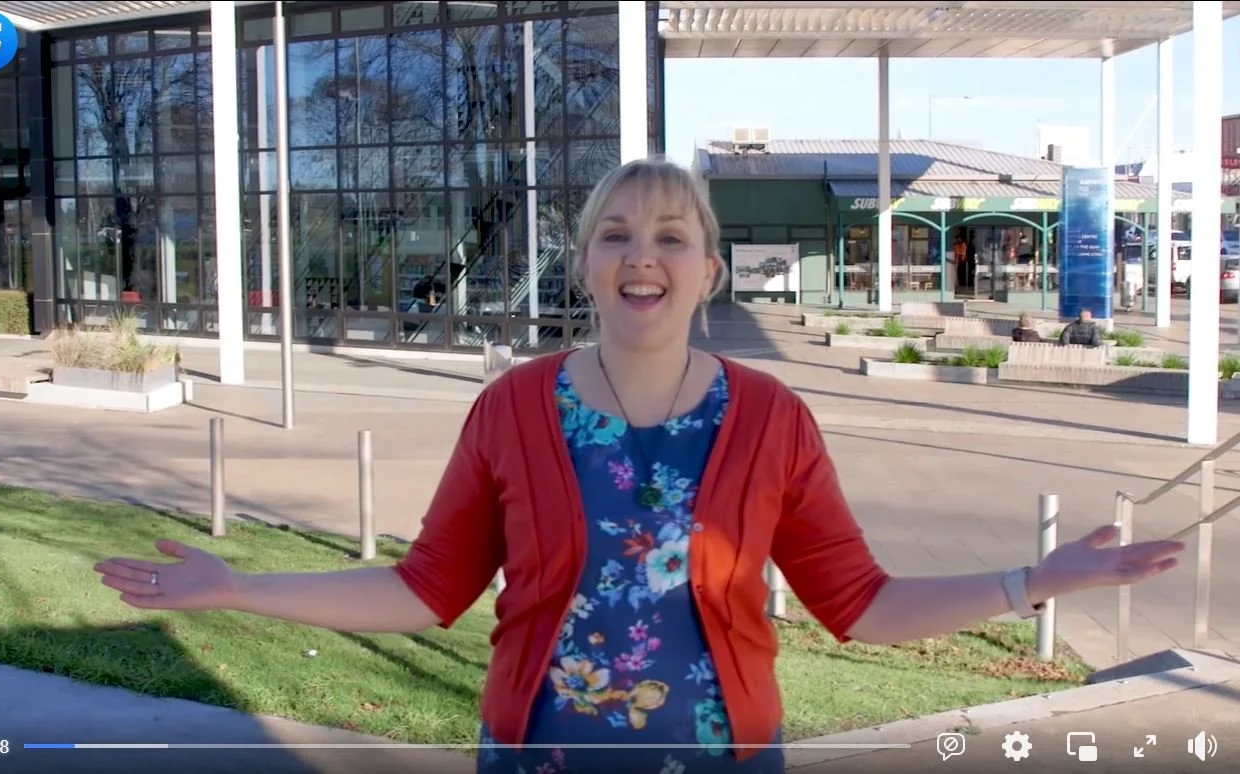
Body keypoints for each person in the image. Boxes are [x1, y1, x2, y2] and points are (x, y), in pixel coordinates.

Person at [94, 158, 1183, 774]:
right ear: (586, 266)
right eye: (614, 235)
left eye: (669, 236)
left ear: (708, 268)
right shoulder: (514, 410)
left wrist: (1030, 584)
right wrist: (239, 587)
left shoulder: (771, 420)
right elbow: (424, 590)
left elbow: (856, 605)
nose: (641, 254)